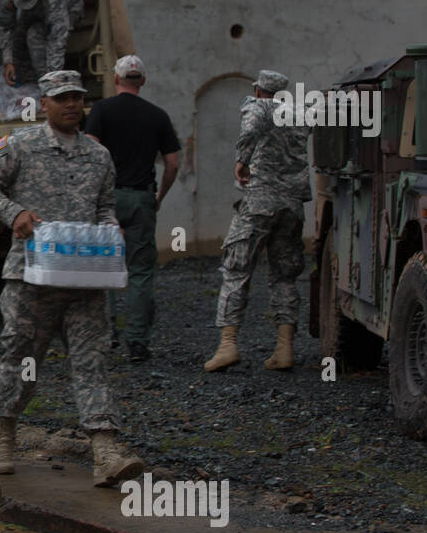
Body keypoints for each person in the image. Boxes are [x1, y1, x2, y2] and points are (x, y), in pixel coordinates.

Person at [0, 70, 144, 486]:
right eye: (61, 98)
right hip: (32, 278)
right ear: (43, 103)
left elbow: (103, 206)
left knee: (92, 360)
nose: (70, 105)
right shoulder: (21, 145)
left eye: (77, 98)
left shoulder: (97, 155)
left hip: (85, 279)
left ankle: (105, 450)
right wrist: (17, 214)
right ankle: (4, 434)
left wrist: (110, 227)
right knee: (23, 360)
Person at [205, 69, 310, 373]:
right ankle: (284, 348)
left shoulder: (259, 107)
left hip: (261, 200)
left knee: (237, 269)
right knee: (285, 275)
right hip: (292, 204)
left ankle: (227, 345)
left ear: (259, 90)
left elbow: (250, 129)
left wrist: (242, 159)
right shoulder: (299, 113)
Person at [83, 54, 181, 362]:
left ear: (115, 79)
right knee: (140, 271)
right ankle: (137, 342)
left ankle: (106, 333)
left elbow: (91, 152)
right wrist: (159, 195)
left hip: (107, 198)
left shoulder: (101, 110)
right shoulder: (158, 115)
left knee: (102, 266)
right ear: (144, 81)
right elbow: (173, 161)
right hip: (141, 197)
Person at [0, 0, 84, 87]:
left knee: (35, 35)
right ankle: (26, 81)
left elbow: (57, 42)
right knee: (18, 36)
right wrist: (8, 61)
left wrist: (51, 81)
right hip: (38, 7)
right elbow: (4, 26)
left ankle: (44, 83)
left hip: (70, 7)